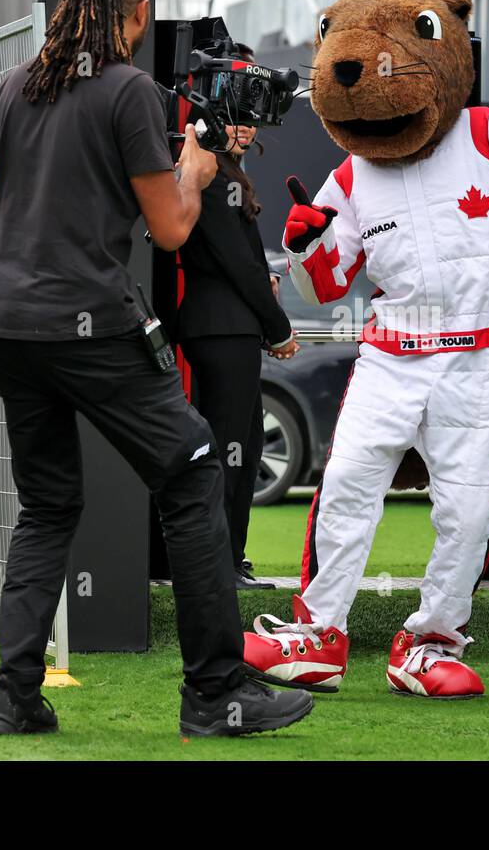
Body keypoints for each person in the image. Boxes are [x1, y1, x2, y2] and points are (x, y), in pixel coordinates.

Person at [0, 0, 313, 738]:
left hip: (9, 325)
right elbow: (169, 231)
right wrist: (194, 169)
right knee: (194, 475)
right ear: (131, 15)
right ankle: (216, 692)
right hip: (87, 323)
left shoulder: (9, 89)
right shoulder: (128, 93)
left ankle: (12, 697)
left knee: (47, 506)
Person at [175, 49, 298, 590]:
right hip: (223, 330)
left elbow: (244, 265)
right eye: (241, 117)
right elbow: (239, 265)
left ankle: (226, 560)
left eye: (255, 119)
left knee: (236, 446)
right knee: (231, 448)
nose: (249, 128)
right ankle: (221, 564)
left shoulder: (214, 165)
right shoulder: (207, 168)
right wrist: (280, 328)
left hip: (220, 328)